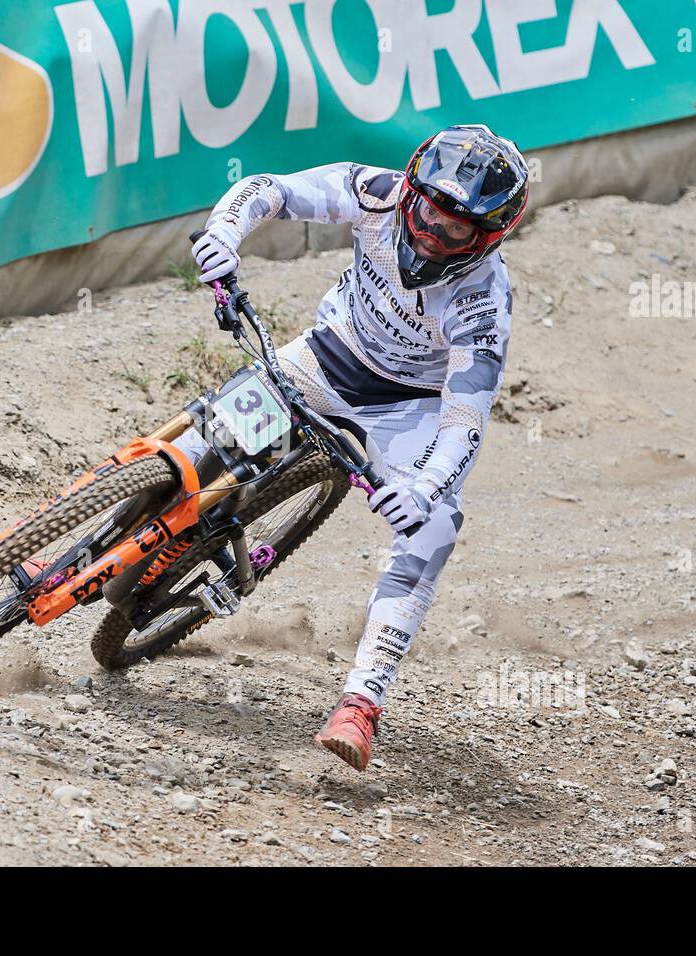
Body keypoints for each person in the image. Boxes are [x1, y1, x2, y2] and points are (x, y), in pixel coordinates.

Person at [185, 125, 529, 771]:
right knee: (200, 438)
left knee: (434, 530)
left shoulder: (484, 299)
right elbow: (269, 190)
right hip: (323, 358)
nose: (431, 234)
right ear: (412, 191)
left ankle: (360, 702)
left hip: (409, 411)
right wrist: (225, 236)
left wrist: (423, 488)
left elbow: (465, 417)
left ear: (487, 238)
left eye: (455, 232)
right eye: (428, 212)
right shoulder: (375, 191)